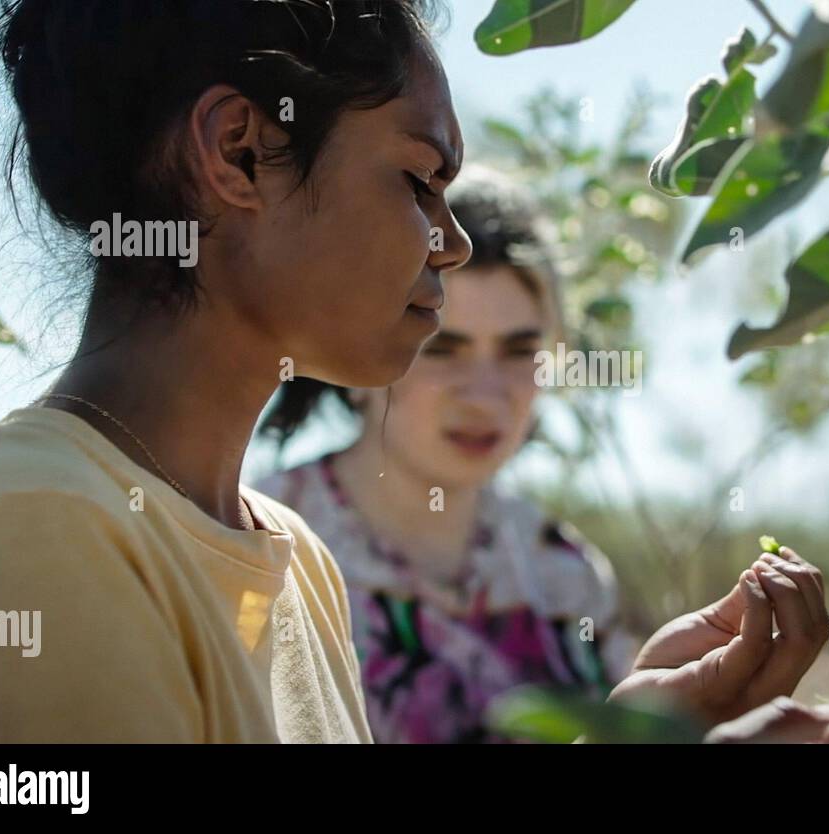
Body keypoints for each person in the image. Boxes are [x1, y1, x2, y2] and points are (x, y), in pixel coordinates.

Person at [0, 0, 829, 744]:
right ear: (239, 152)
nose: (449, 245)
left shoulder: (298, 563)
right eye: (419, 181)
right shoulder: (39, 523)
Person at [255, 172, 639, 742]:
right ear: (357, 354)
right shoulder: (257, 550)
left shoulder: (565, 574)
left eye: (519, 351)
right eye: (441, 348)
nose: (485, 395)